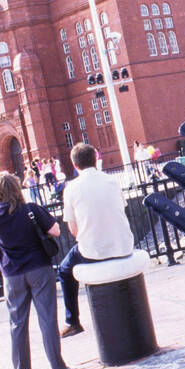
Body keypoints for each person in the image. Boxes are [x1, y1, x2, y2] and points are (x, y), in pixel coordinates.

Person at [0, 171, 78, 369]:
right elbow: (56, 231)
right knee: (48, 318)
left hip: (12, 275)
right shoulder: (31, 210)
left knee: (17, 323)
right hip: (39, 269)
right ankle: (58, 367)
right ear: (17, 189)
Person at [56, 143, 135, 338]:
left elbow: (73, 230)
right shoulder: (111, 181)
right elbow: (121, 210)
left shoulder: (71, 188)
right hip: (124, 245)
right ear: (96, 159)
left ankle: (72, 321)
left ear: (75, 165)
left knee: (64, 271)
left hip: (93, 250)